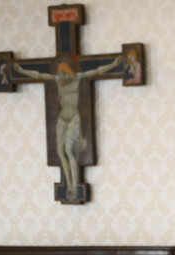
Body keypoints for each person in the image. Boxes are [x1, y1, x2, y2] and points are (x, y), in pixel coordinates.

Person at [13, 54, 123, 201]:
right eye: (59, 74)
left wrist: (113, 64)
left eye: (63, 74)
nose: (61, 78)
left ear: (69, 72)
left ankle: (73, 185)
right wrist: (21, 70)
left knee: (68, 150)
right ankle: (69, 183)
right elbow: (39, 75)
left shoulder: (77, 78)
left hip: (73, 119)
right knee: (60, 151)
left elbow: (97, 71)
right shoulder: (59, 80)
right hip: (62, 119)